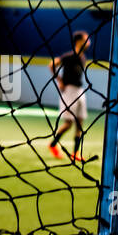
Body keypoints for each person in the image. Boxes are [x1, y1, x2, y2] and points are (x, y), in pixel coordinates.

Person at [49, 30, 90, 162]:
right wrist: (60, 81)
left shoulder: (83, 57)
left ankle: (75, 153)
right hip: (69, 91)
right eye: (86, 39)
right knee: (69, 123)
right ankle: (53, 145)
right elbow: (52, 65)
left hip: (80, 90)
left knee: (80, 122)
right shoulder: (69, 56)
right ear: (79, 41)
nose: (89, 42)